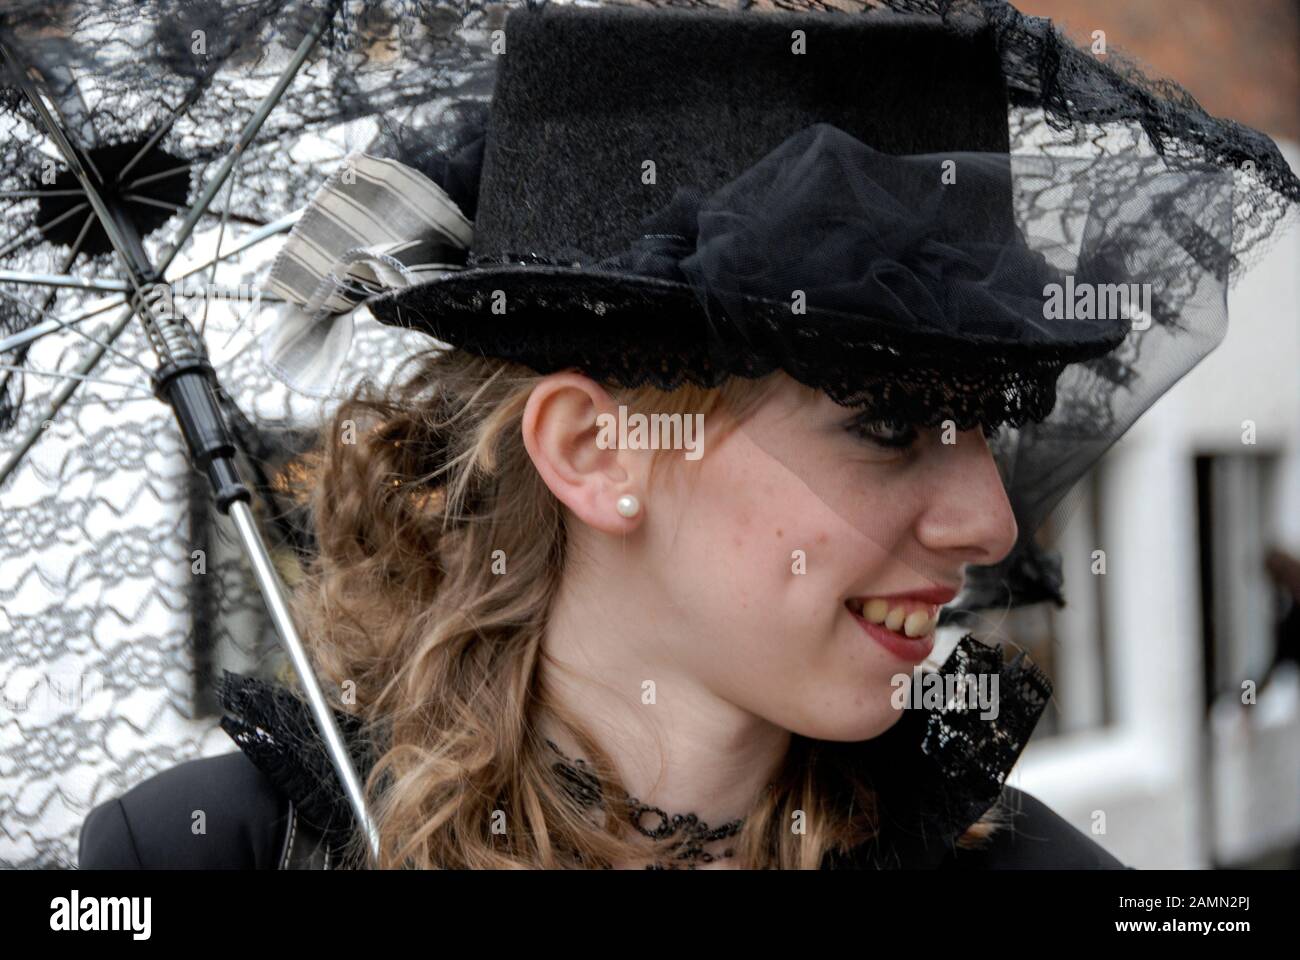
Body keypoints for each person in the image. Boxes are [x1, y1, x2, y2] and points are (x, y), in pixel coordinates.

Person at [77, 0, 1297, 870]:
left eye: (987, 423)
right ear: (597, 452)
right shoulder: (200, 856)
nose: (987, 519)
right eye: (884, 422)